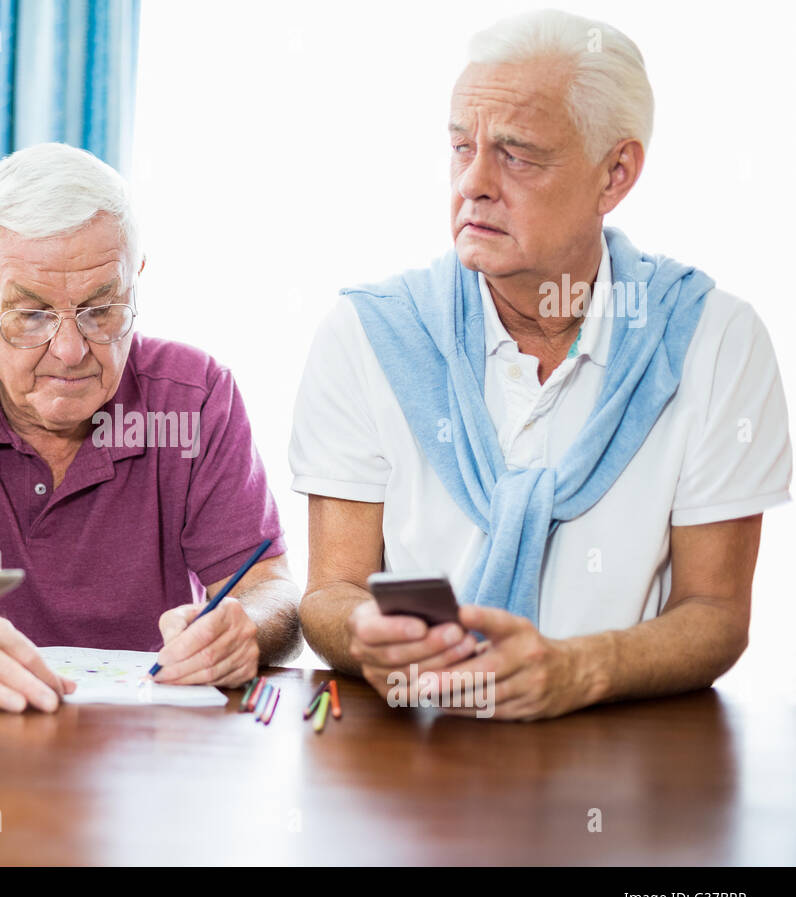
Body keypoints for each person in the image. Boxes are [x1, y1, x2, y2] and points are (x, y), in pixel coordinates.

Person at [290, 10, 791, 720]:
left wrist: (581, 670)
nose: (474, 183)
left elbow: (714, 611)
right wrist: (361, 632)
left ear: (614, 174)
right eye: (462, 147)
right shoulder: (368, 334)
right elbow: (329, 594)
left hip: (620, 764)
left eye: (517, 155)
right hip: (415, 766)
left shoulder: (716, 339)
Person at [0, 143, 300, 713]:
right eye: (31, 314)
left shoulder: (195, 394)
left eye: (101, 310)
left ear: (135, 281)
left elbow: (274, 593)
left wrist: (247, 628)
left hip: (143, 747)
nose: (70, 352)